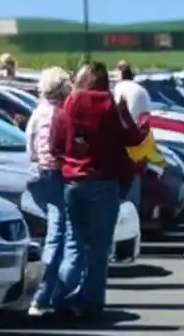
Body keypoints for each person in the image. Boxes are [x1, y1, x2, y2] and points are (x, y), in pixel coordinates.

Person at [52, 62, 146, 319]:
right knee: (99, 247)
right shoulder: (110, 105)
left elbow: (57, 139)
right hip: (104, 181)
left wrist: (63, 160)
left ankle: (56, 295)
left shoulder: (70, 102)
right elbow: (132, 138)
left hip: (73, 181)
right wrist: (126, 113)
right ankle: (92, 300)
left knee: (74, 242)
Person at [25, 66, 72, 318]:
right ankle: (43, 295)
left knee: (51, 231)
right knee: (58, 232)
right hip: (55, 173)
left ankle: (45, 290)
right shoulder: (60, 114)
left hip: (36, 173)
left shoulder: (37, 113)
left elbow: (30, 147)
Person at [112, 60, 152, 209]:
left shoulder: (118, 89)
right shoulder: (142, 91)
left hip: (121, 145)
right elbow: (146, 121)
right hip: (139, 143)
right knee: (134, 186)